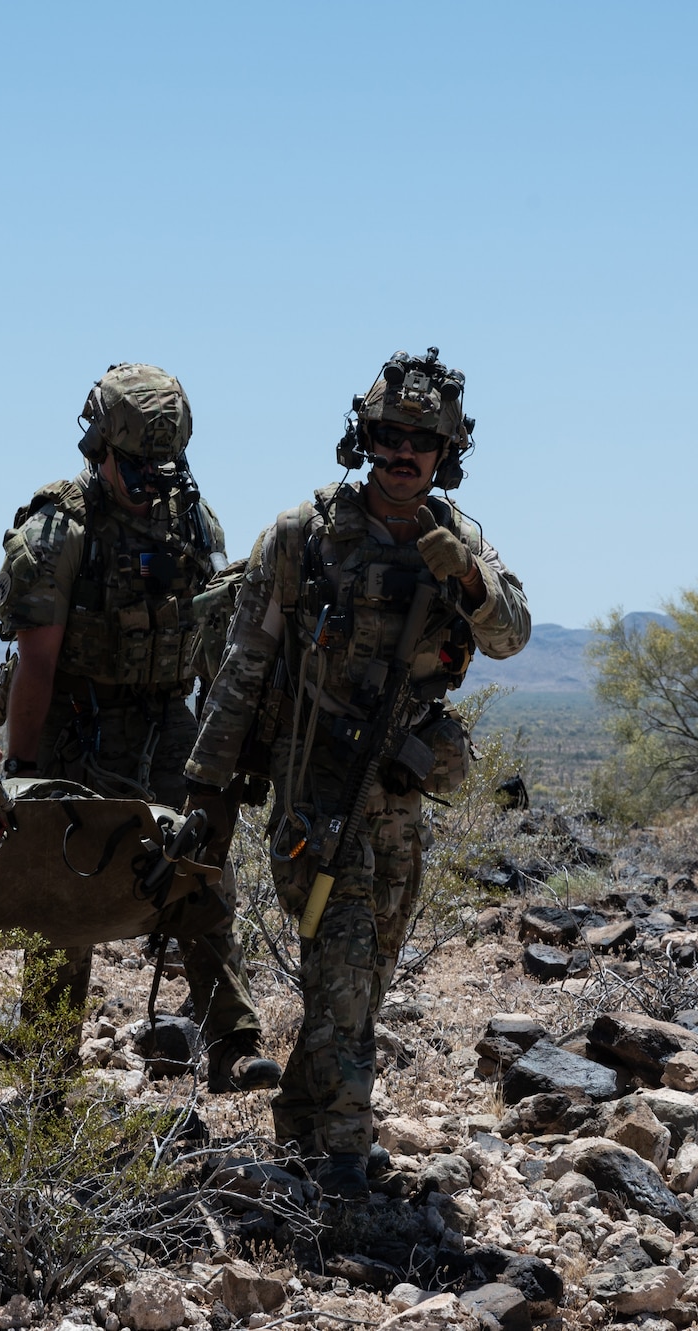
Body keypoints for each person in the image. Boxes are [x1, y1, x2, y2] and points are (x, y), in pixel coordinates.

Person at [183, 348, 531, 1198]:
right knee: (338, 979)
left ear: (448, 449)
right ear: (364, 436)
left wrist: (468, 577)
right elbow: (244, 665)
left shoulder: (462, 542)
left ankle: (303, 1125)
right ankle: (342, 1164)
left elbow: (511, 633)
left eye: (424, 437)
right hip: (316, 796)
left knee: (363, 981)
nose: (404, 450)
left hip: (400, 800)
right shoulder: (303, 535)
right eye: (390, 433)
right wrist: (207, 792)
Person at [0, 363, 277, 1092]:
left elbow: (213, 633)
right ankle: (48, 1072)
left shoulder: (191, 519)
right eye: (137, 468)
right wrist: (21, 773)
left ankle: (231, 1038)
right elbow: (37, 665)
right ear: (100, 448)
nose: (152, 483)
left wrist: (226, 742)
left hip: (161, 715)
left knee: (201, 862)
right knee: (65, 887)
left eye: (164, 467)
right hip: (73, 717)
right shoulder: (59, 530)